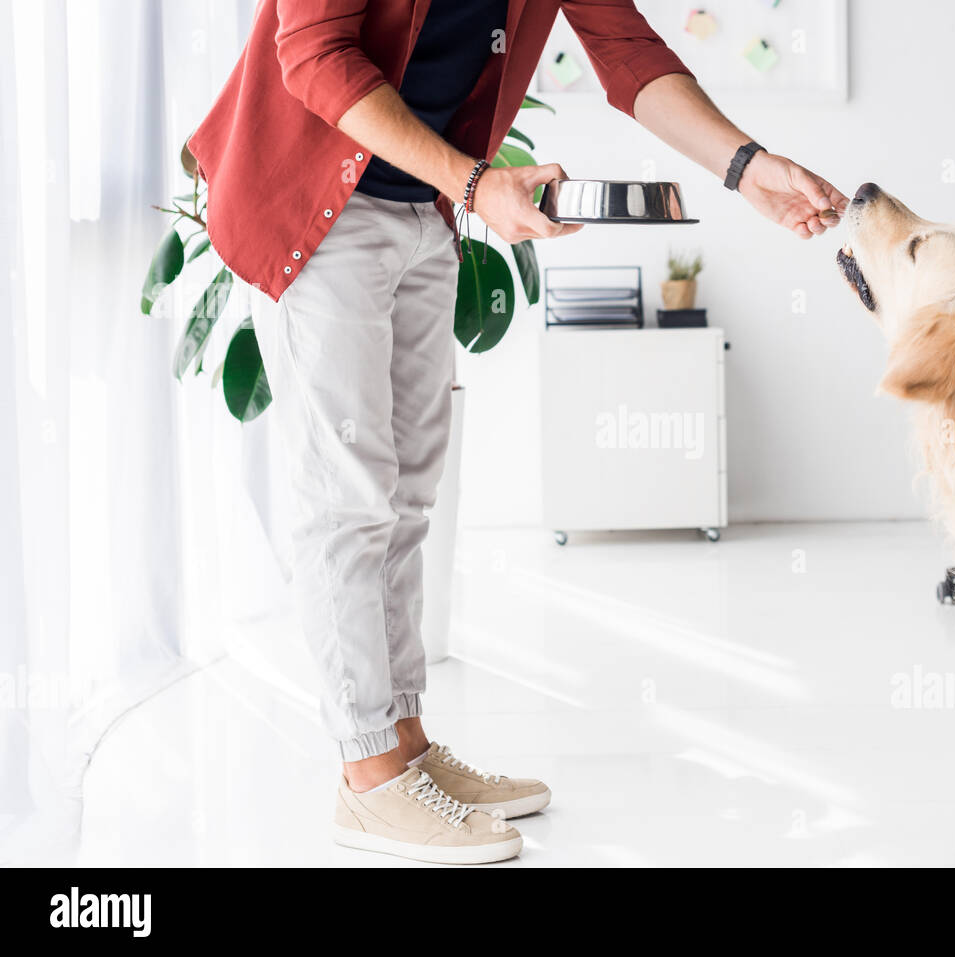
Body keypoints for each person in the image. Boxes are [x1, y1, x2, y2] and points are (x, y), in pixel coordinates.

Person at [188, 0, 848, 864]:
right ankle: (369, 778)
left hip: (424, 207)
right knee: (348, 500)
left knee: (407, 494)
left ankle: (406, 747)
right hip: (317, 202)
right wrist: (474, 183)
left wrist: (747, 167)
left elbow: (626, 51)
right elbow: (312, 52)